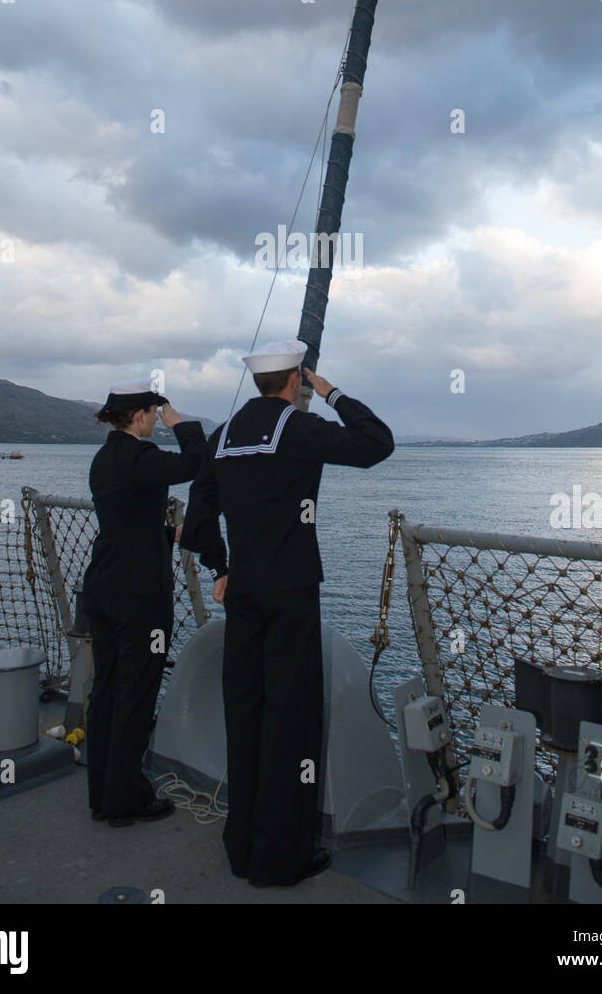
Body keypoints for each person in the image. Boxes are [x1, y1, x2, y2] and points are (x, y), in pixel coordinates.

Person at [181, 340, 394, 886]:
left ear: (256, 381)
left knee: (246, 711)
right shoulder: (296, 430)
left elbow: (199, 517)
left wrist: (220, 566)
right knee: (290, 719)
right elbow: (376, 444)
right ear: (296, 379)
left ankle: (243, 842)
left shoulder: (222, 436)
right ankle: (282, 856)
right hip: (291, 591)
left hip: (245, 593)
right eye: (304, 380)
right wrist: (331, 390)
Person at [83, 380, 206, 827]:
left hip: (103, 586)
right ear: (139, 415)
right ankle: (126, 800)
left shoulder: (105, 458)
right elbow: (196, 461)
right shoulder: (141, 455)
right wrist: (182, 422)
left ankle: (103, 793)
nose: (158, 419)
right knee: (136, 694)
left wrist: (166, 535)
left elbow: (125, 519)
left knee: (107, 690)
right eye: (155, 413)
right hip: (139, 597)